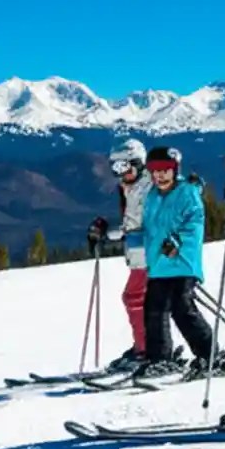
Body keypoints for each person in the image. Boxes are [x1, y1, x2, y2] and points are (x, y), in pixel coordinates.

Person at [137, 146, 225, 380]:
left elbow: (194, 223)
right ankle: (159, 358)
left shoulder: (187, 192)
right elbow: (149, 229)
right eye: (154, 171)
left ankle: (210, 356)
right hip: (159, 264)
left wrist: (177, 242)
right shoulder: (152, 196)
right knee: (153, 309)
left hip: (181, 262)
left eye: (165, 170)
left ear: (174, 170)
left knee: (182, 308)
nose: (159, 176)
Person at [87, 138, 152, 373]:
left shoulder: (146, 188)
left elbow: (143, 226)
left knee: (135, 298)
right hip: (140, 255)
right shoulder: (131, 187)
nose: (119, 174)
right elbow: (130, 225)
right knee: (142, 300)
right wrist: (107, 230)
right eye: (115, 168)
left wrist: (118, 232)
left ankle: (146, 349)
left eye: (124, 167)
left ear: (138, 163)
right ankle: (145, 346)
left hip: (149, 256)